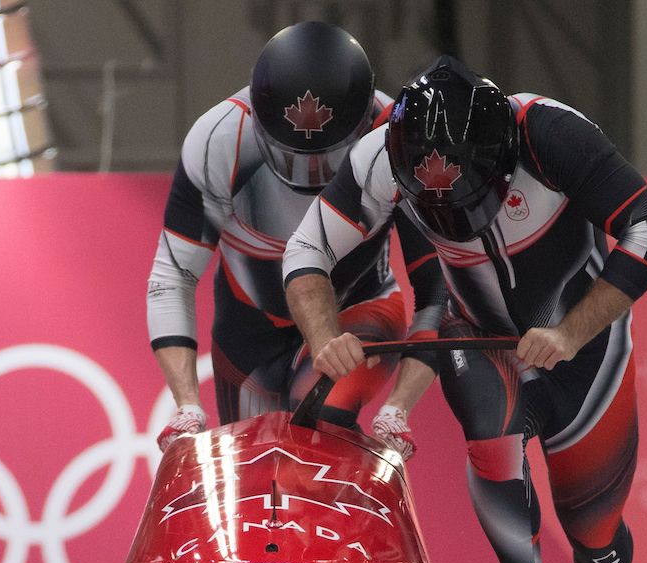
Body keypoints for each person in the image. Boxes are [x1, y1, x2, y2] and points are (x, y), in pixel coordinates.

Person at [283, 55, 647, 563]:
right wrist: (323, 337)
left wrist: (571, 330)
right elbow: (306, 250)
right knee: (491, 445)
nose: (454, 218)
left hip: (583, 345)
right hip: (480, 334)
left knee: (593, 528)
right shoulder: (380, 157)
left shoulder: (551, 135)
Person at [149, 20, 446, 452]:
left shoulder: (396, 138)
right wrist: (186, 403)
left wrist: (399, 406)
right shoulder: (219, 141)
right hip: (250, 327)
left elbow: (437, 289)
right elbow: (173, 276)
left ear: (365, 125)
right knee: (255, 467)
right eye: (293, 160)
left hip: (357, 311)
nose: (312, 180)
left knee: (319, 418)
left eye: (329, 162)